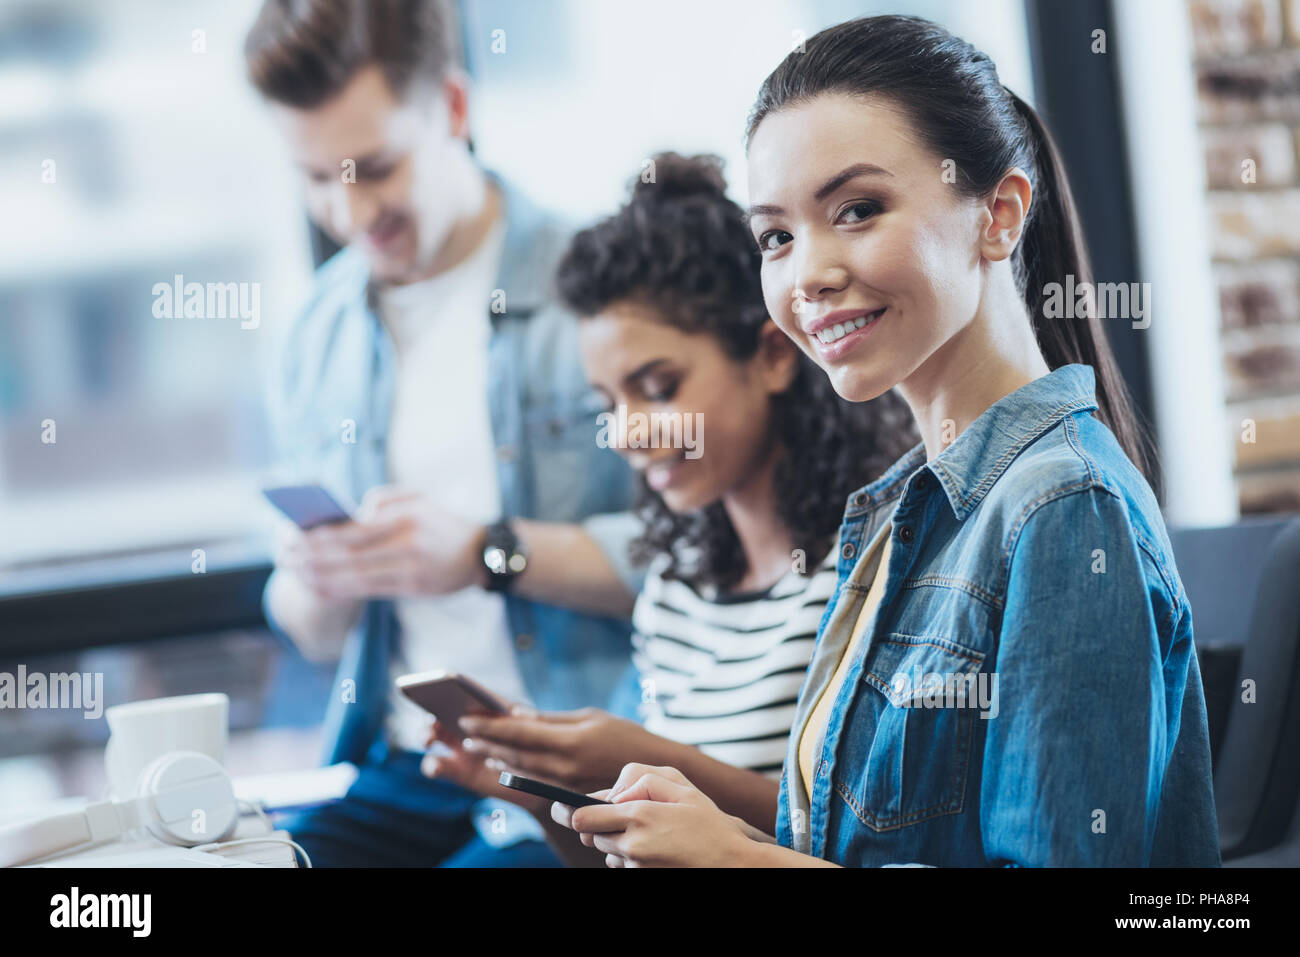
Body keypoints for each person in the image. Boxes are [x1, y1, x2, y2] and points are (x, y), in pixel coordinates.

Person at [555, 15, 1222, 867]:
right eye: (777, 237)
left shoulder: (1062, 507)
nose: (809, 275)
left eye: (857, 210)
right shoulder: (905, 511)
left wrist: (738, 859)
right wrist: (715, 830)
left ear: (1000, 214)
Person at [417, 153, 916, 865]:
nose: (627, 432)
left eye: (658, 386)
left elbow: (859, 837)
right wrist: (534, 789)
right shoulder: (678, 580)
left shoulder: (870, 565)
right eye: (608, 403)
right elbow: (630, 856)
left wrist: (651, 757)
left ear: (773, 355)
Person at [244, 0, 642, 867]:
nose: (348, 213)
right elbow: (307, 629)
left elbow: (707, 557)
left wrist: (484, 551)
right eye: (315, 178)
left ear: (454, 110)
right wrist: (318, 581)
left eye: (375, 168)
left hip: (573, 762)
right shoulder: (317, 334)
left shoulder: (600, 288)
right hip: (399, 763)